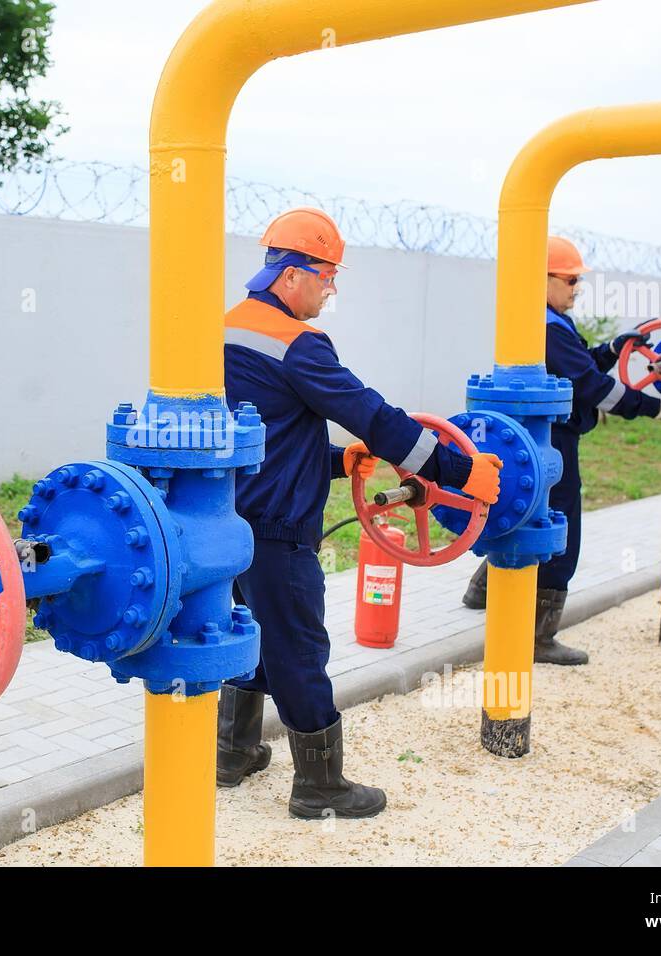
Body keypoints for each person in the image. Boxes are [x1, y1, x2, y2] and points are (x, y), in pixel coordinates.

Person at [220, 207, 503, 818]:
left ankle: (231, 753)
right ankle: (320, 788)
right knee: (297, 648)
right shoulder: (299, 345)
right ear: (292, 275)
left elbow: (257, 432)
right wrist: (458, 473)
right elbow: (376, 418)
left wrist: (331, 461)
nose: (331, 288)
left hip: (229, 522)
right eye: (326, 275)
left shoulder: (227, 329)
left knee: (248, 631)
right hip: (277, 527)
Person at [460, 236, 661, 664]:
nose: (576, 288)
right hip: (555, 441)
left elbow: (580, 366)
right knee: (558, 526)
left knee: (519, 509)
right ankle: (538, 635)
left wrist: (611, 350)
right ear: (541, 280)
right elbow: (593, 389)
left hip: (532, 435)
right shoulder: (547, 328)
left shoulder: (543, 323)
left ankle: (482, 590)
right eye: (569, 279)